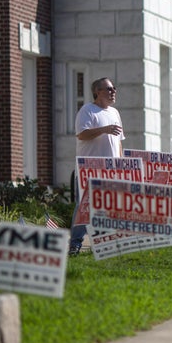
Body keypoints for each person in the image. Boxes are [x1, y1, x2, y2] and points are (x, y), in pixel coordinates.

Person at [69, 77, 124, 255]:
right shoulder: (87, 110)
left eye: (114, 88)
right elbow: (82, 135)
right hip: (89, 170)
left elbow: (119, 142)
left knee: (107, 208)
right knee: (84, 207)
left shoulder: (115, 113)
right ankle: (75, 244)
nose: (113, 91)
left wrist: (121, 163)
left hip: (111, 170)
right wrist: (104, 129)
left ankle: (104, 244)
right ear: (97, 92)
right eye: (109, 89)